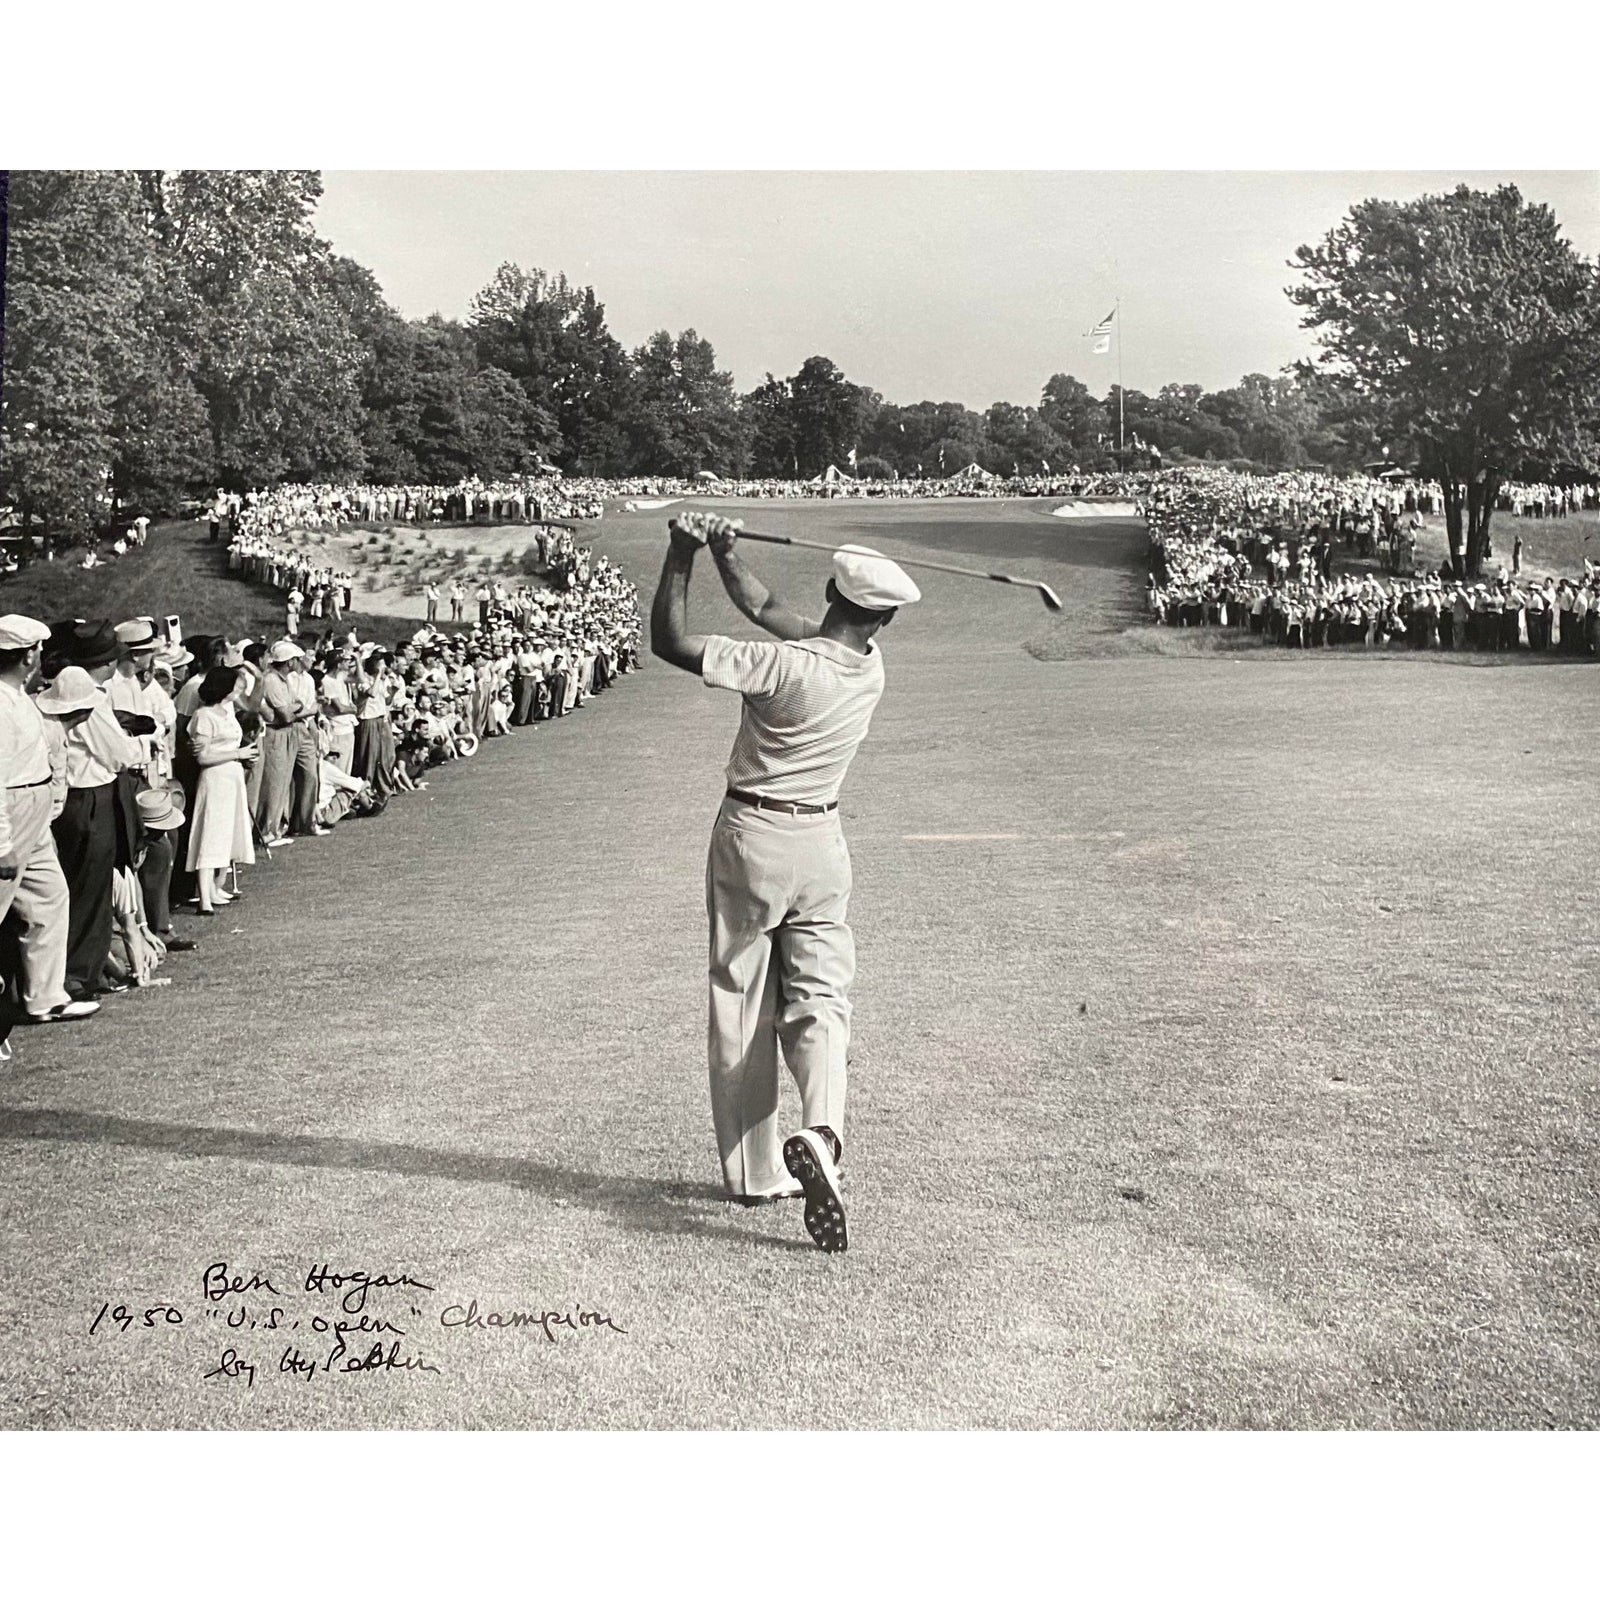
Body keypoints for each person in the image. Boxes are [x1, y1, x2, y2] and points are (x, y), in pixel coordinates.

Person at [650, 512, 920, 1253]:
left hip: (753, 838)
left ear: (833, 590)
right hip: (823, 844)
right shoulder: (868, 669)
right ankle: (825, 1132)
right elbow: (768, 610)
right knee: (822, 998)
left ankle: (756, 1174)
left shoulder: (783, 667)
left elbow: (670, 642)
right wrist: (729, 556)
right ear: (885, 617)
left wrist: (683, 555)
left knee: (741, 1000)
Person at [0, 616, 99, 1030]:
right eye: (37, 652)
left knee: (51, 896)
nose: (40, 658)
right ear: (27, 656)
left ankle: (45, 996)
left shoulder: (19, 695)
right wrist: (2, 843)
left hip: (34, 808)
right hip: (14, 808)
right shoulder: (2, 706)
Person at [187, 667, 258, 914]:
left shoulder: (226, 712)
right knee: (211, 833)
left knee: (227, 832)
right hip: (215, 779)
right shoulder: (203, 715)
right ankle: (204, 898)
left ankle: (216, 888)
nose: (239, 691)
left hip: (232, 777)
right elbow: (203, 756)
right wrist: (237, 754)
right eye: (236, 686)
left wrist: (244, 756)